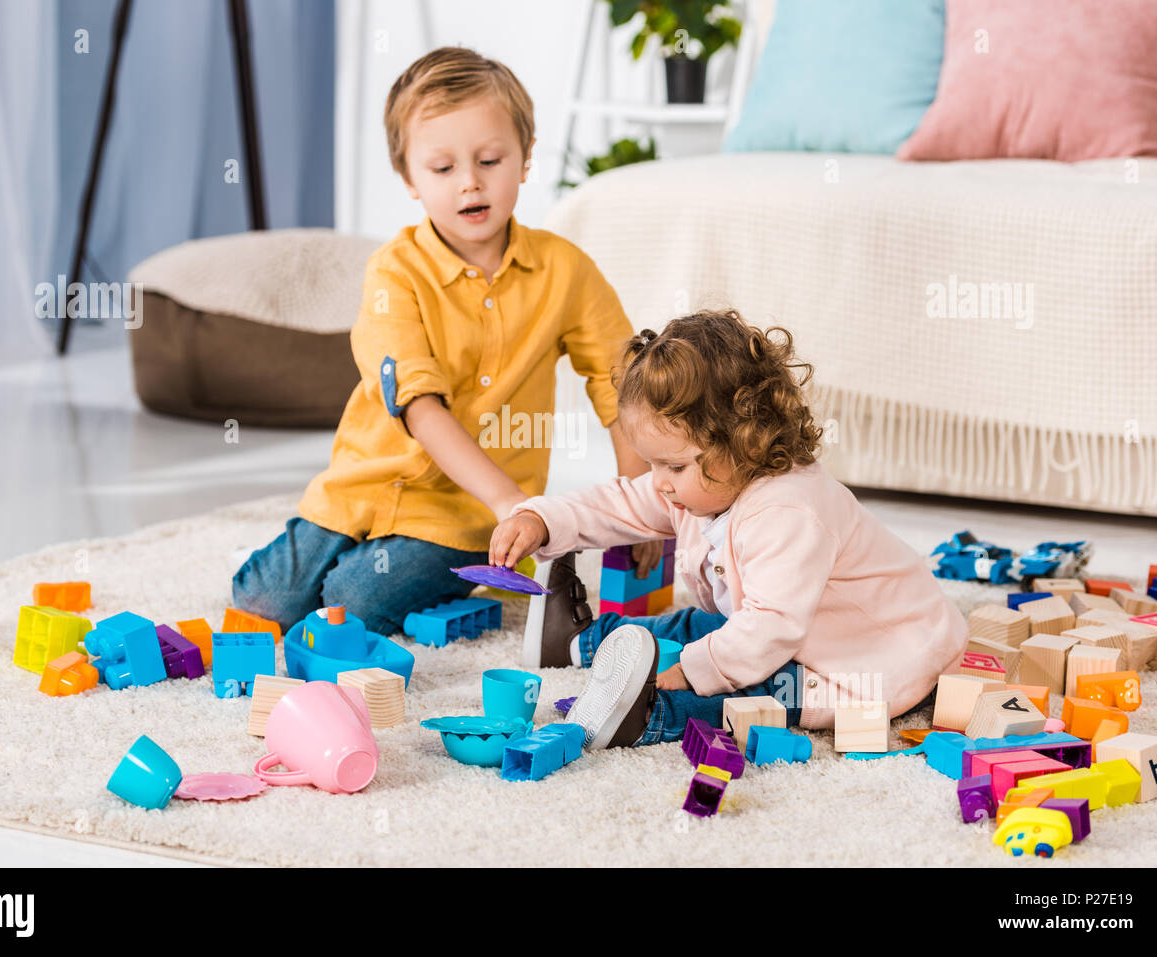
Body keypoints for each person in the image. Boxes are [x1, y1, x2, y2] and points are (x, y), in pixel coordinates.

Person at [232, 47, 658, 635]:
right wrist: (510, 496)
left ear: (525, 159)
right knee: (265, 604)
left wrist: (637, 506)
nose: (470, 183)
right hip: (359, 490)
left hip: (461, 517)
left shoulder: (566, 271)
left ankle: (374, 580)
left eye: (489, 159)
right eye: (442, 169)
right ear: (409, 178)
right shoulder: (393, 273)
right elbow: (418, 405)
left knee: (348, 607)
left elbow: (621, 384)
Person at [490, 310, 969, 749]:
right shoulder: (697, 484)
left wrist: (693, 670)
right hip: (784, 628)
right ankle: (576, 642)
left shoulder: (789, 511)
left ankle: (650, 714)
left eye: (673, 466)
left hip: (868, 661)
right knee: (691, 626)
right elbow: (620, 503)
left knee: (755, 688)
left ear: (747, 440)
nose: (658, 481)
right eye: (654, 464)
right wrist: (542, 519)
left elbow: (769, 630)